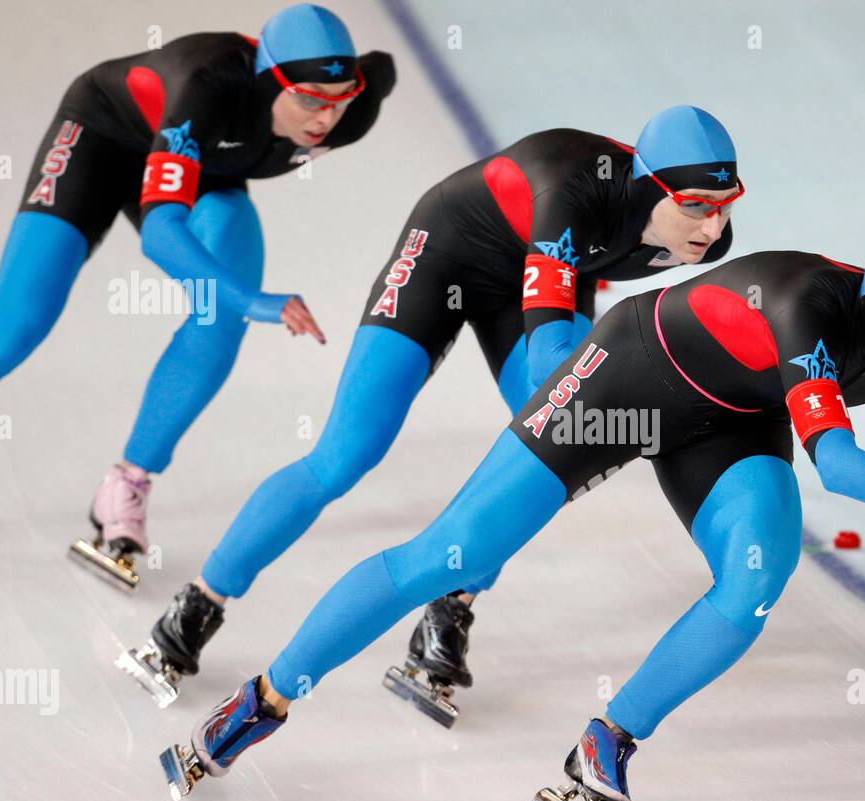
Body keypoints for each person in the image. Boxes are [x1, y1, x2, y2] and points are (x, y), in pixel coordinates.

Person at [158, 222, 865, 801]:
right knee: (453, 553)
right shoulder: (807, 310)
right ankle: (263, 698)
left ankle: (609, 739)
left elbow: (812, 426)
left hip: (731, 414)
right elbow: (842, 468)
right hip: (625, 377)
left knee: (754, 581)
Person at [136, 105, 744, 712]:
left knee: (541, 463)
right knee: (345, 455)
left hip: (539, 278)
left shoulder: (702, 237)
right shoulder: (572, 190)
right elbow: (549, 363)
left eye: (725, 205)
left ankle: (450, 608)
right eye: (694, 205)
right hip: (447, 252)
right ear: (647, 185)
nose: (712, 227)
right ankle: (197, 605)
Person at [0, 4, 396, 590]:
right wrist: (256, 300)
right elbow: (163, 234)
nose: (327, 116)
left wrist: (235, 302)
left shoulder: (351, 110)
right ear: (269, 83)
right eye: (311, 98)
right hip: (102, 138)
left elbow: (381, 70)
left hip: (205, 169)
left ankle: (127, 484)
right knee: (15, 327)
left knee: (220, 313)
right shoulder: (208, 85)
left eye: (341, 97)